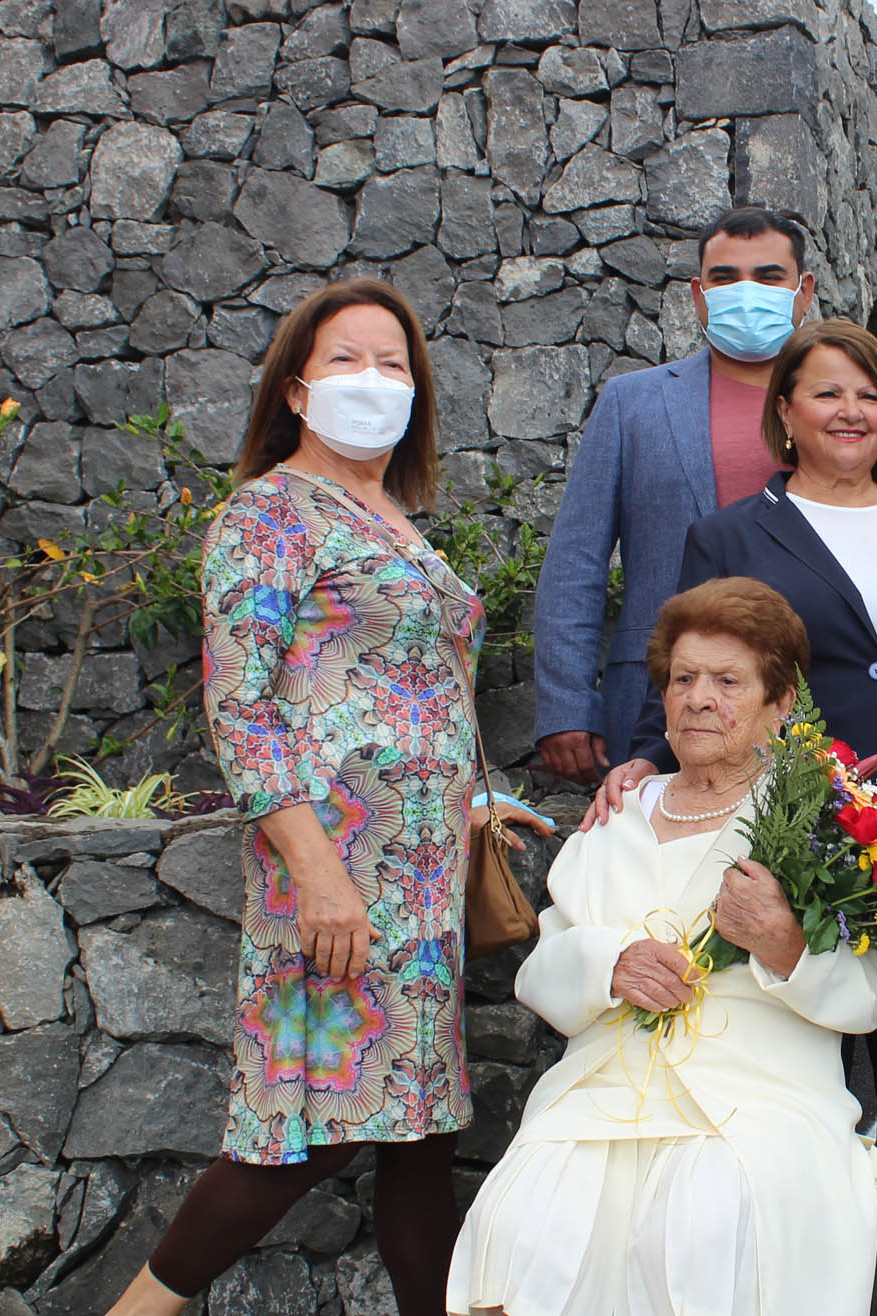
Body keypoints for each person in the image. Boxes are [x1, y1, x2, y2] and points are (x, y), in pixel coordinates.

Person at [104, 280, 551, 1316]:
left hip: (418, 875)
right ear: (298, 390)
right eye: (348, 360)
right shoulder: (268, 513)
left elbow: (411, 688)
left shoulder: (390, 518)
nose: (375, 381)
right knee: (308, 1131)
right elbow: (243, 706)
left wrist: (468, 800)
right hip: (338, 873)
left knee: (418, 1135)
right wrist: (316, 869)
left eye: (394, 364)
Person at [594, 318, 877, 1316]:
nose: (851, 410)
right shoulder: (735, 535)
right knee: (787, 1054)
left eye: (870, 392)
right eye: (827, 392)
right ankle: (783, 1273)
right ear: (785, 410)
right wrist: (645, 760)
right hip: (777, 832)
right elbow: (695, 666)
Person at [449, 577, 877, 1316]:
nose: (698, 697)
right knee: (519, 1223)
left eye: (728, 681)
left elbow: (873, 996)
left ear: (779, 703)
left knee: (700, 1224)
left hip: (756, 1099)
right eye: (683, 678)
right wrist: (609, 965)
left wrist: (785, 942)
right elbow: (543, 966)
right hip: (600, 1094)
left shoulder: (825, 817)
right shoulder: (620, 813)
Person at [532, 205, 816, 785]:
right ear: (697, 294)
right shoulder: (632, 403)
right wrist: (567, 704)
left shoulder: (846, 411)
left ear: (803, 291)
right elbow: (576, 560)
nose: (746, 291)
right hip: (660, 706)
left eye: (768, 277)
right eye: (724, 277)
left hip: (810, 692)